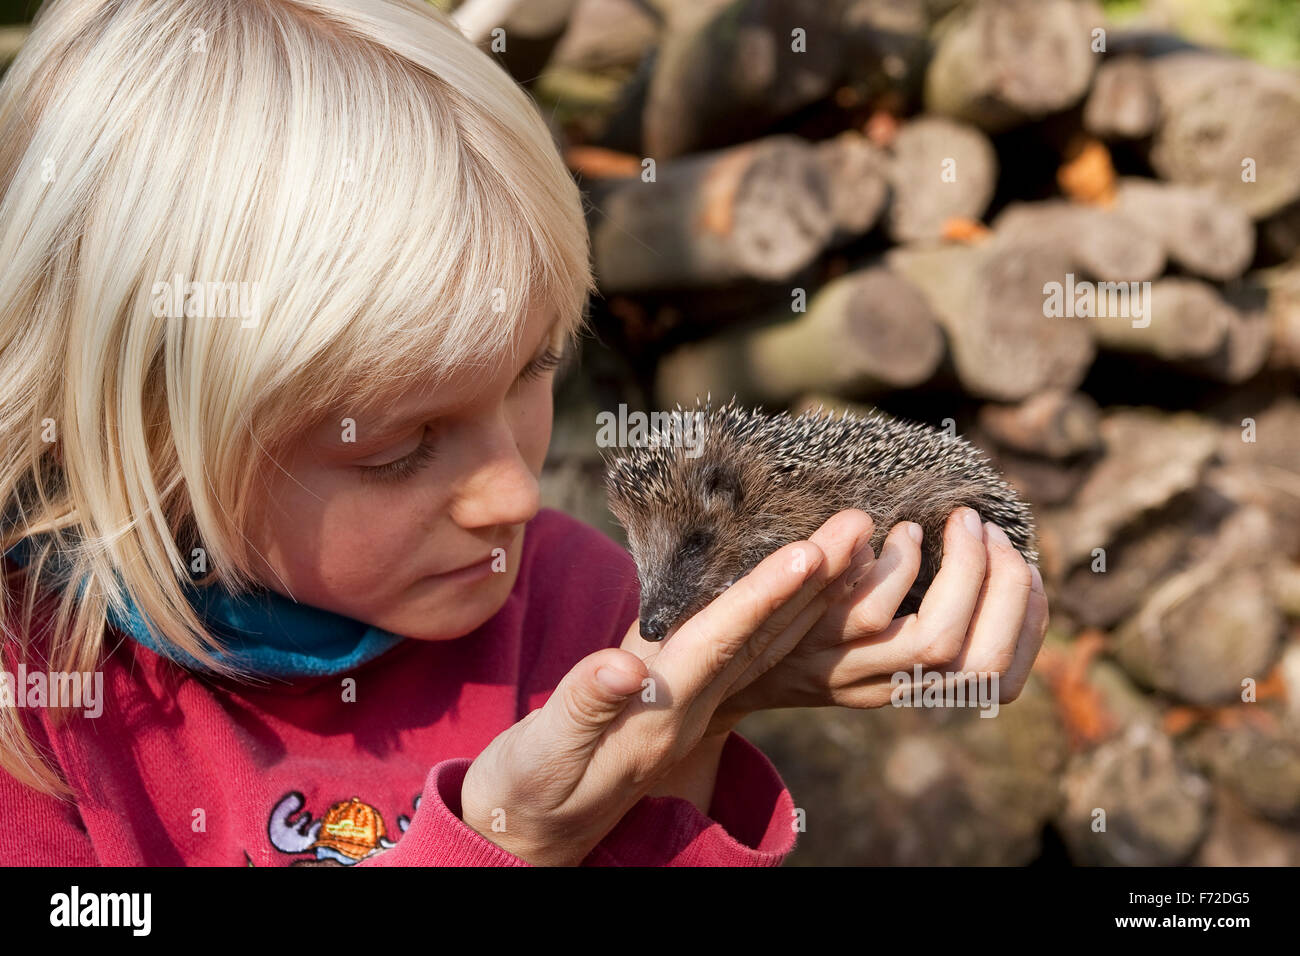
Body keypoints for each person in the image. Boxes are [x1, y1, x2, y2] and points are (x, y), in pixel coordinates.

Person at [0, 0, 1048, 866]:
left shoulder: (573, 603)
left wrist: (687, 736)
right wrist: (502, 840)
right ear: (122, 441)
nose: (513, 491)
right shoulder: (35, 709)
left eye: (533, 374)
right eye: (398, 447)